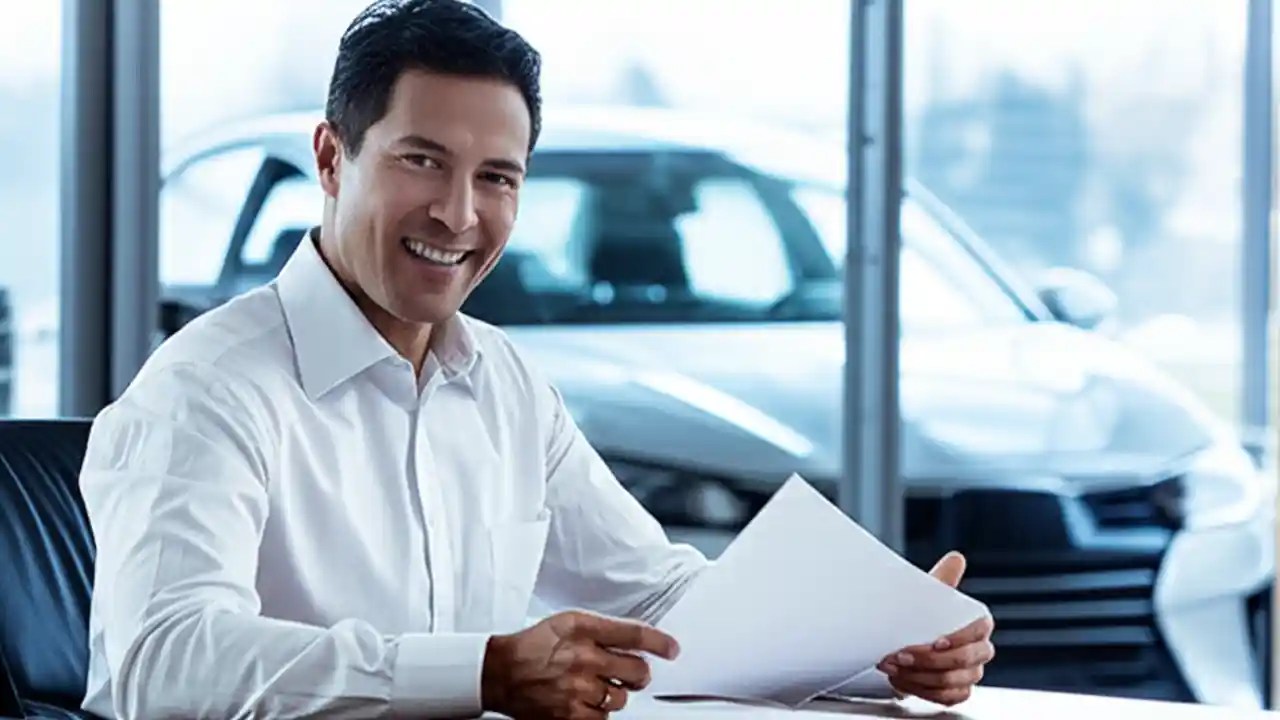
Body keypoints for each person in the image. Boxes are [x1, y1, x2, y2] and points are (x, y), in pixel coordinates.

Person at [79, 1, 995, 718]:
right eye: (421, 162)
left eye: (497, 178)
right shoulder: (209, 386)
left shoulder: (504, 384)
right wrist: (484, 671)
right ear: (331, 158)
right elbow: (161, 657)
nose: (458, 214)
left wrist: (873, 647)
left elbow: (664, 595)